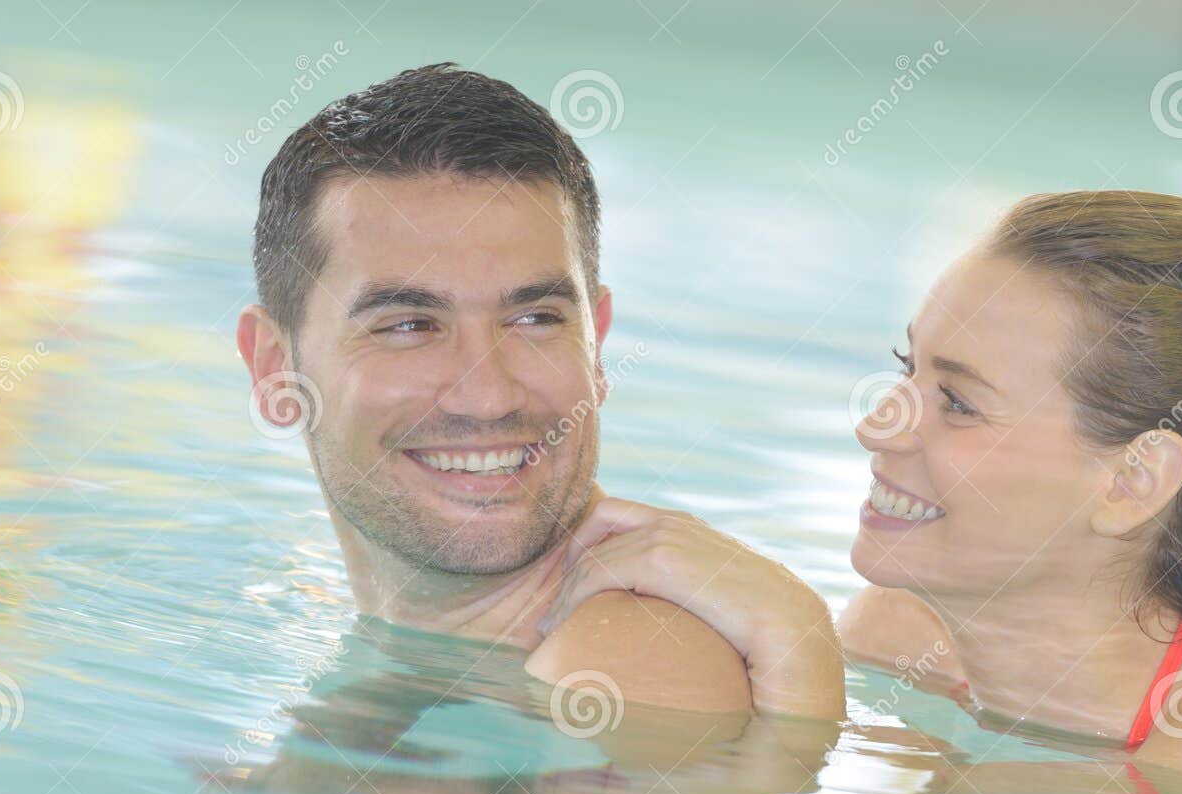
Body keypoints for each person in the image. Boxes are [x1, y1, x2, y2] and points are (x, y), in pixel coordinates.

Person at [547, 191, 1182, 780]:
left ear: (1133, 481)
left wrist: (792, 639)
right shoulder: (899, 630)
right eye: (905, 371)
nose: (876, 425)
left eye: (956, 401)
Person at [235, 63, 844, 721]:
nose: (488, 396)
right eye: (410, 326)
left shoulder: (620, 660)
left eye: (534, 319)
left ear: (596, 342)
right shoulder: (334, 599)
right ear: (275, 368)